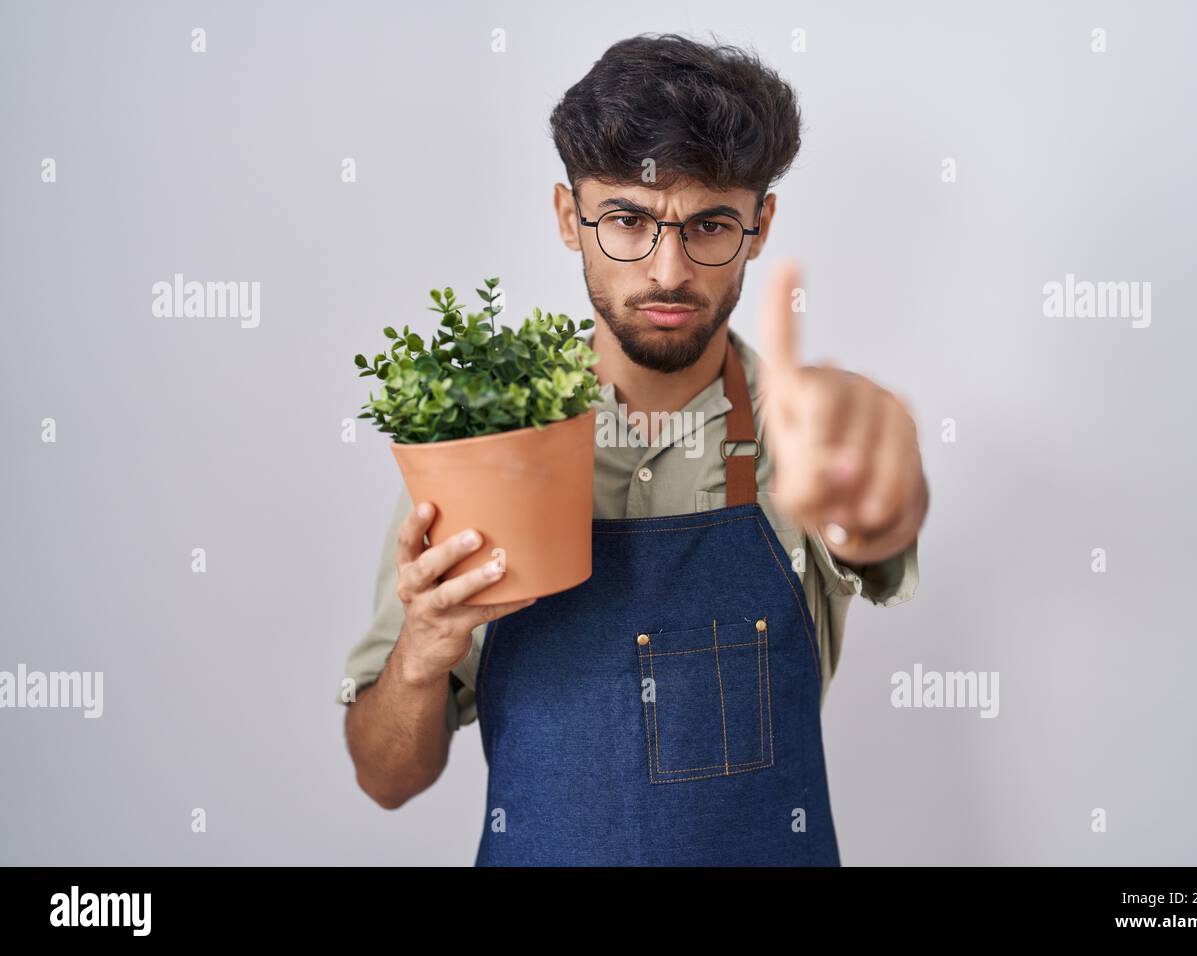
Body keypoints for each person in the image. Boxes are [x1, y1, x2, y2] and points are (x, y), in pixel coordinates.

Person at [337, 32, 927, 866]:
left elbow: (877, 509)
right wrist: (421, 656)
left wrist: (880, 491)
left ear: (761, 226)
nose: (669, 271)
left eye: (711, 224)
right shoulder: (481, 451)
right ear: (566, 218)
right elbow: (385, 777)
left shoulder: (809, 435)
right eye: (627, 221)